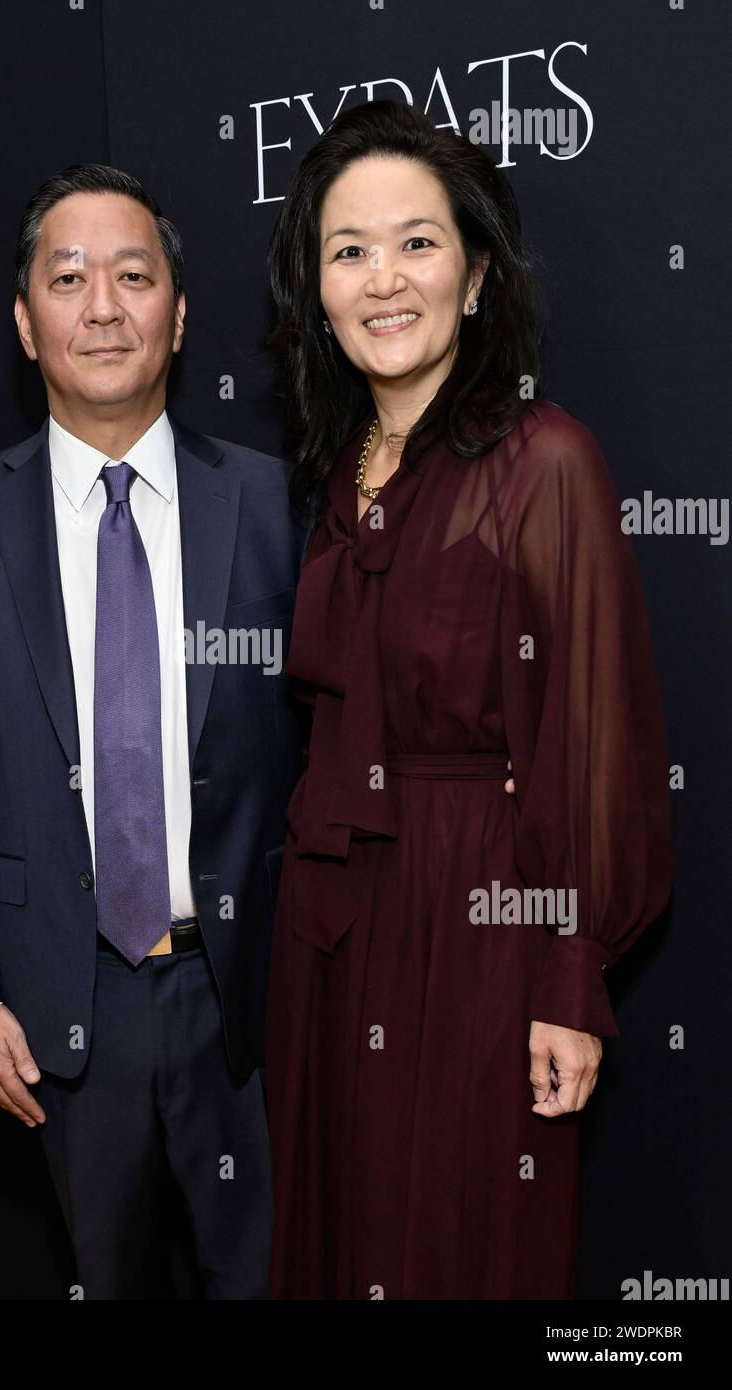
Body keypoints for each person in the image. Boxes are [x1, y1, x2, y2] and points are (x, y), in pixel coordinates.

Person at [263, 100, 674, 1299]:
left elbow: (588, 742)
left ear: (476, 273)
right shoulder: (337, 473)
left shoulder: (543, 462)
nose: (381, 279)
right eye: (347, 251)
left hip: (483, 925)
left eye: (416, 242)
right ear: (315, 291)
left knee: (458, 1248)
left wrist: (567, 977)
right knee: (337, 1244)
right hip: (332, 932)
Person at [0, 164, 305, 1298]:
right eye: (68, 279)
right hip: (58, 1005)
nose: (103, 306)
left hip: (251, 1000)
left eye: (134, 275)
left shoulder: (275, 504)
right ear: (26, 324)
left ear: (179, 312)